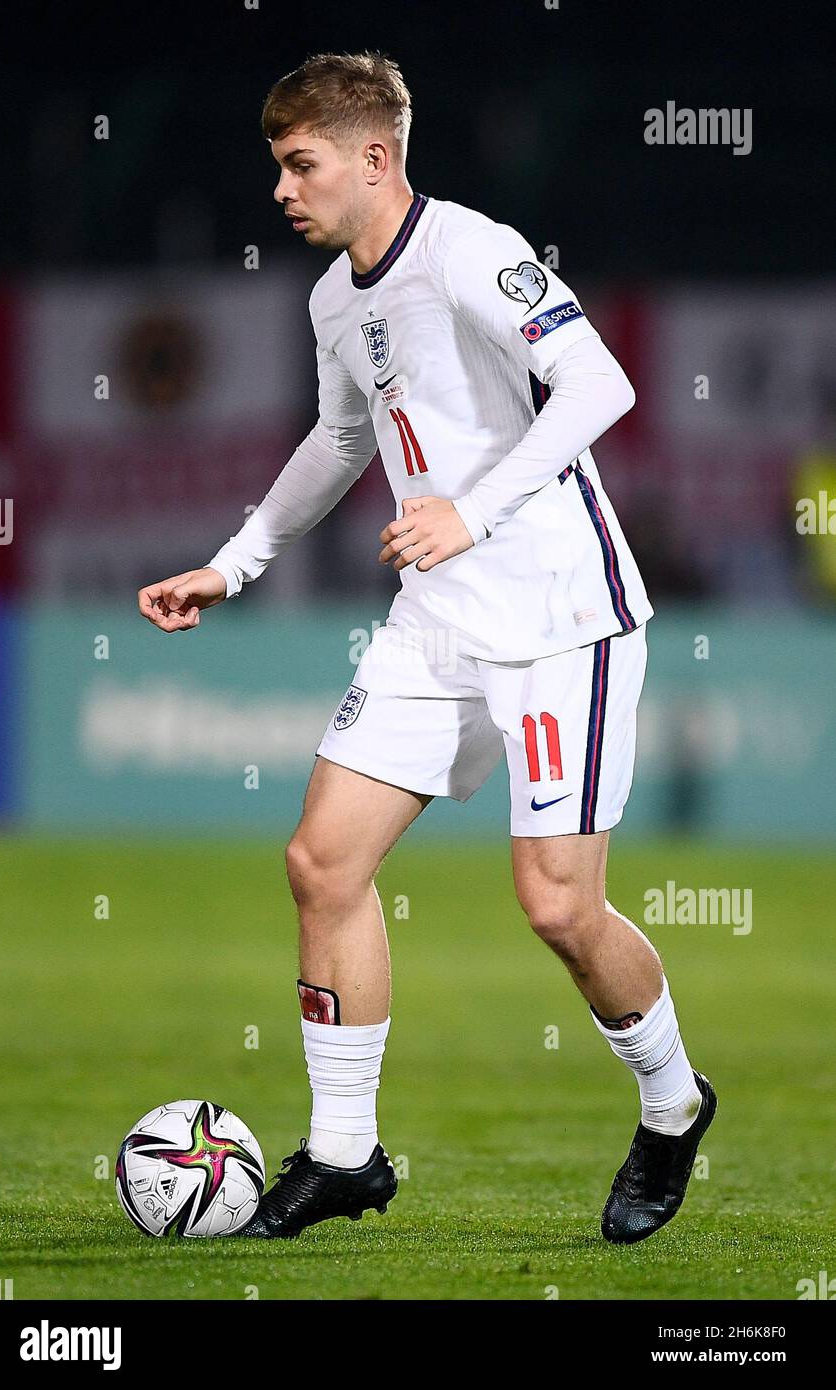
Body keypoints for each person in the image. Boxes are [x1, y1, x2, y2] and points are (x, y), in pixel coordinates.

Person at [138, 51, 716, 1245]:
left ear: (374, 158)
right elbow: (340, 440)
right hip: (436, 617)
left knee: (556, 907)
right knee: (321, 861)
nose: (283, 190)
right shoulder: (331, 300)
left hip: (559, 617)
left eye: (301, 165)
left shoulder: (467, 249)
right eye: (277, 167)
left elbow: (595, 383)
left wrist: (470, 508)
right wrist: (234, 560)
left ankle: (670, 1104)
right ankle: (346, 1153)